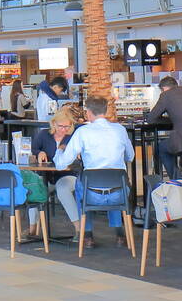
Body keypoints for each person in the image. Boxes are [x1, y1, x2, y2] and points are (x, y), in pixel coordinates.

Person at [54, 96, 133, 248]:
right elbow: (131, 156)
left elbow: (61, 164)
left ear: (88, 113)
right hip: (119, 194)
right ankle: (120, 234)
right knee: (116, 182)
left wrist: (59, 151)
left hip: (92, 194)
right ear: (106, 111)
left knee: (81, 186)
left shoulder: (83, 132)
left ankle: (88, 236)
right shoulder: (120, 130)